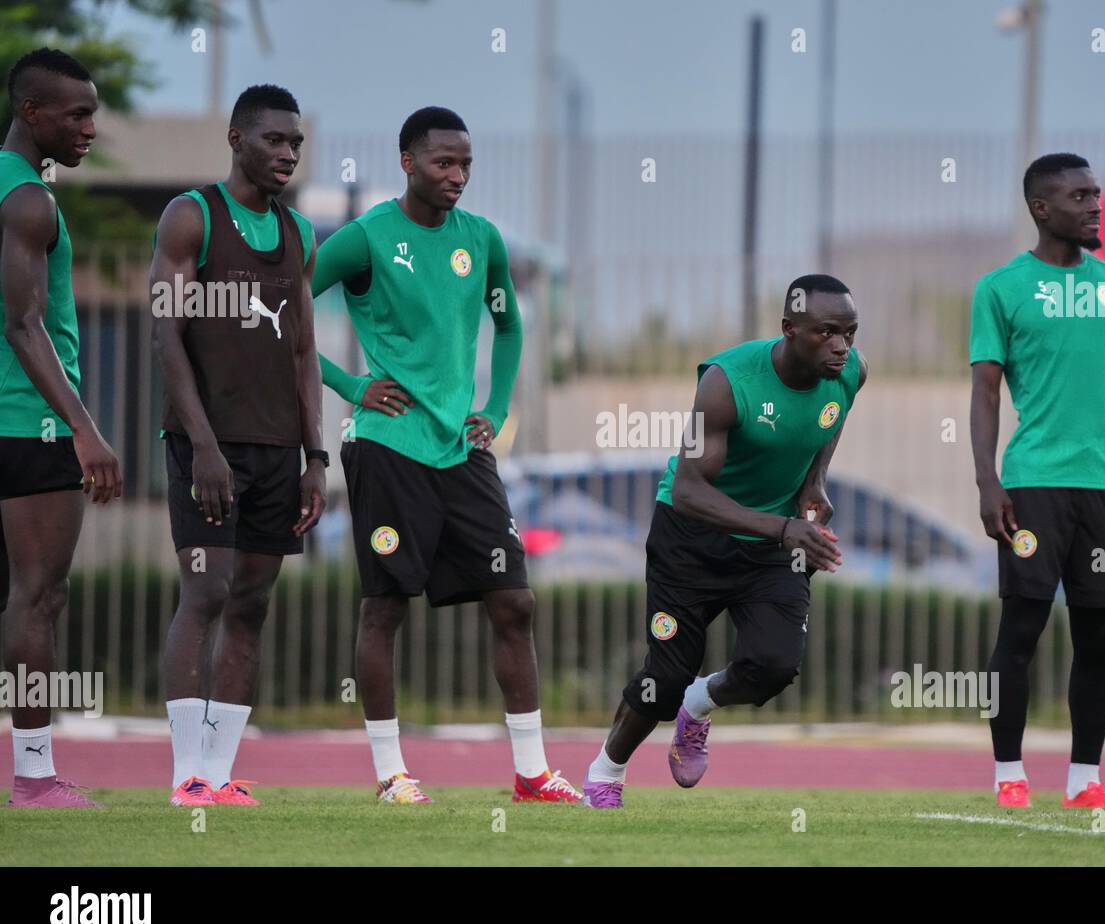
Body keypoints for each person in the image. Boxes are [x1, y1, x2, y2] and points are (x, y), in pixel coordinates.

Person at [314, 106, 578, 804]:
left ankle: (530, 773)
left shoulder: (481, 240)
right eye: (442, 162)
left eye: (465, 163)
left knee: (514, 600)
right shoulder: (366, 238)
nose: (456, 175)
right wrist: (352, 386)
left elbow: (509, 326)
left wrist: (493, 411)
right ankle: (391, 774)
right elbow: (282, 312)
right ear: (408, 162)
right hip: (386, 448)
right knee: (385, 609)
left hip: (461, 453)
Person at [583, 274, 865, 809]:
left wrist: (815, 480)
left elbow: (831, 420)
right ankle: (605, 772)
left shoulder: (851, 371)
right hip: (690, 540)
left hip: (771, 550)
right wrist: (785, 527)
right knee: (663, 679)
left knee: (775, 666)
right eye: (826, 332)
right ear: (789, 329)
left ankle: (701, 703)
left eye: (849, 332)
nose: (841, 346)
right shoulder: (725, 382)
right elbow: (689, 490)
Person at [969, 152, 1105, 810]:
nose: (1095, 205)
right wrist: (987, 481)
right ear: (1042, 208)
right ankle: (1008, 775)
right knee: (1021, 630)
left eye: (1097, 193)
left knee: (1100, 634)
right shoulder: (1000, 288)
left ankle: (1085, 780)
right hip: (1034, 485)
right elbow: (986, 392)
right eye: (1080, 196)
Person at [151, 84, 325, 808]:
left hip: (278, 451)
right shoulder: (191, 217)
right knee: (208, 592)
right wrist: (203, 444)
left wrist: (315, 457)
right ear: (236, 139)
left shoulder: (300, 234)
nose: (286, 153)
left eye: (295, 144)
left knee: (251, 603)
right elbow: (165, 332)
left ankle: (220, 778)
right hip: (207, 447)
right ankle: (185, 774)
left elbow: (304, 352)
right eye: (274, 140)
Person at [1, 48, 123, 809]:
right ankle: (35, 778)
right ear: (32, 113)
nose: (90, 129)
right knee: (38, 597)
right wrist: (83, 427)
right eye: (77, 115)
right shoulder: (29, 201)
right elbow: (23, 322)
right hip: (30, 425)